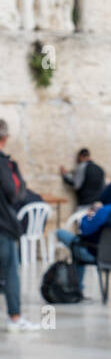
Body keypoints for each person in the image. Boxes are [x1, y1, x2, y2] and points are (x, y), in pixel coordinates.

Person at [55, 181, 111, 294]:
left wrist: (86, 216)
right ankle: (77, 288)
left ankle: (76, 289)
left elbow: (85, 230)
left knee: (61, 234)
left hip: (96, 254)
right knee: (78, 248)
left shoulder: (106, 211)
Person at [0, 119, 40, 331]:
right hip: (3, 227)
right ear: (4, 139)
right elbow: (14, 193)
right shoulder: (3, 164)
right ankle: (15, 317)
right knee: (10, 273)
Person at [61, 148, 105, 215]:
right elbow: (103, 186)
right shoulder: (99, 168)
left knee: (83, 223)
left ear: (80, 157)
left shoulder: (82, 166)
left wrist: (66, 175)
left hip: (85, 204)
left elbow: (76, 184)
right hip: (98, 204)